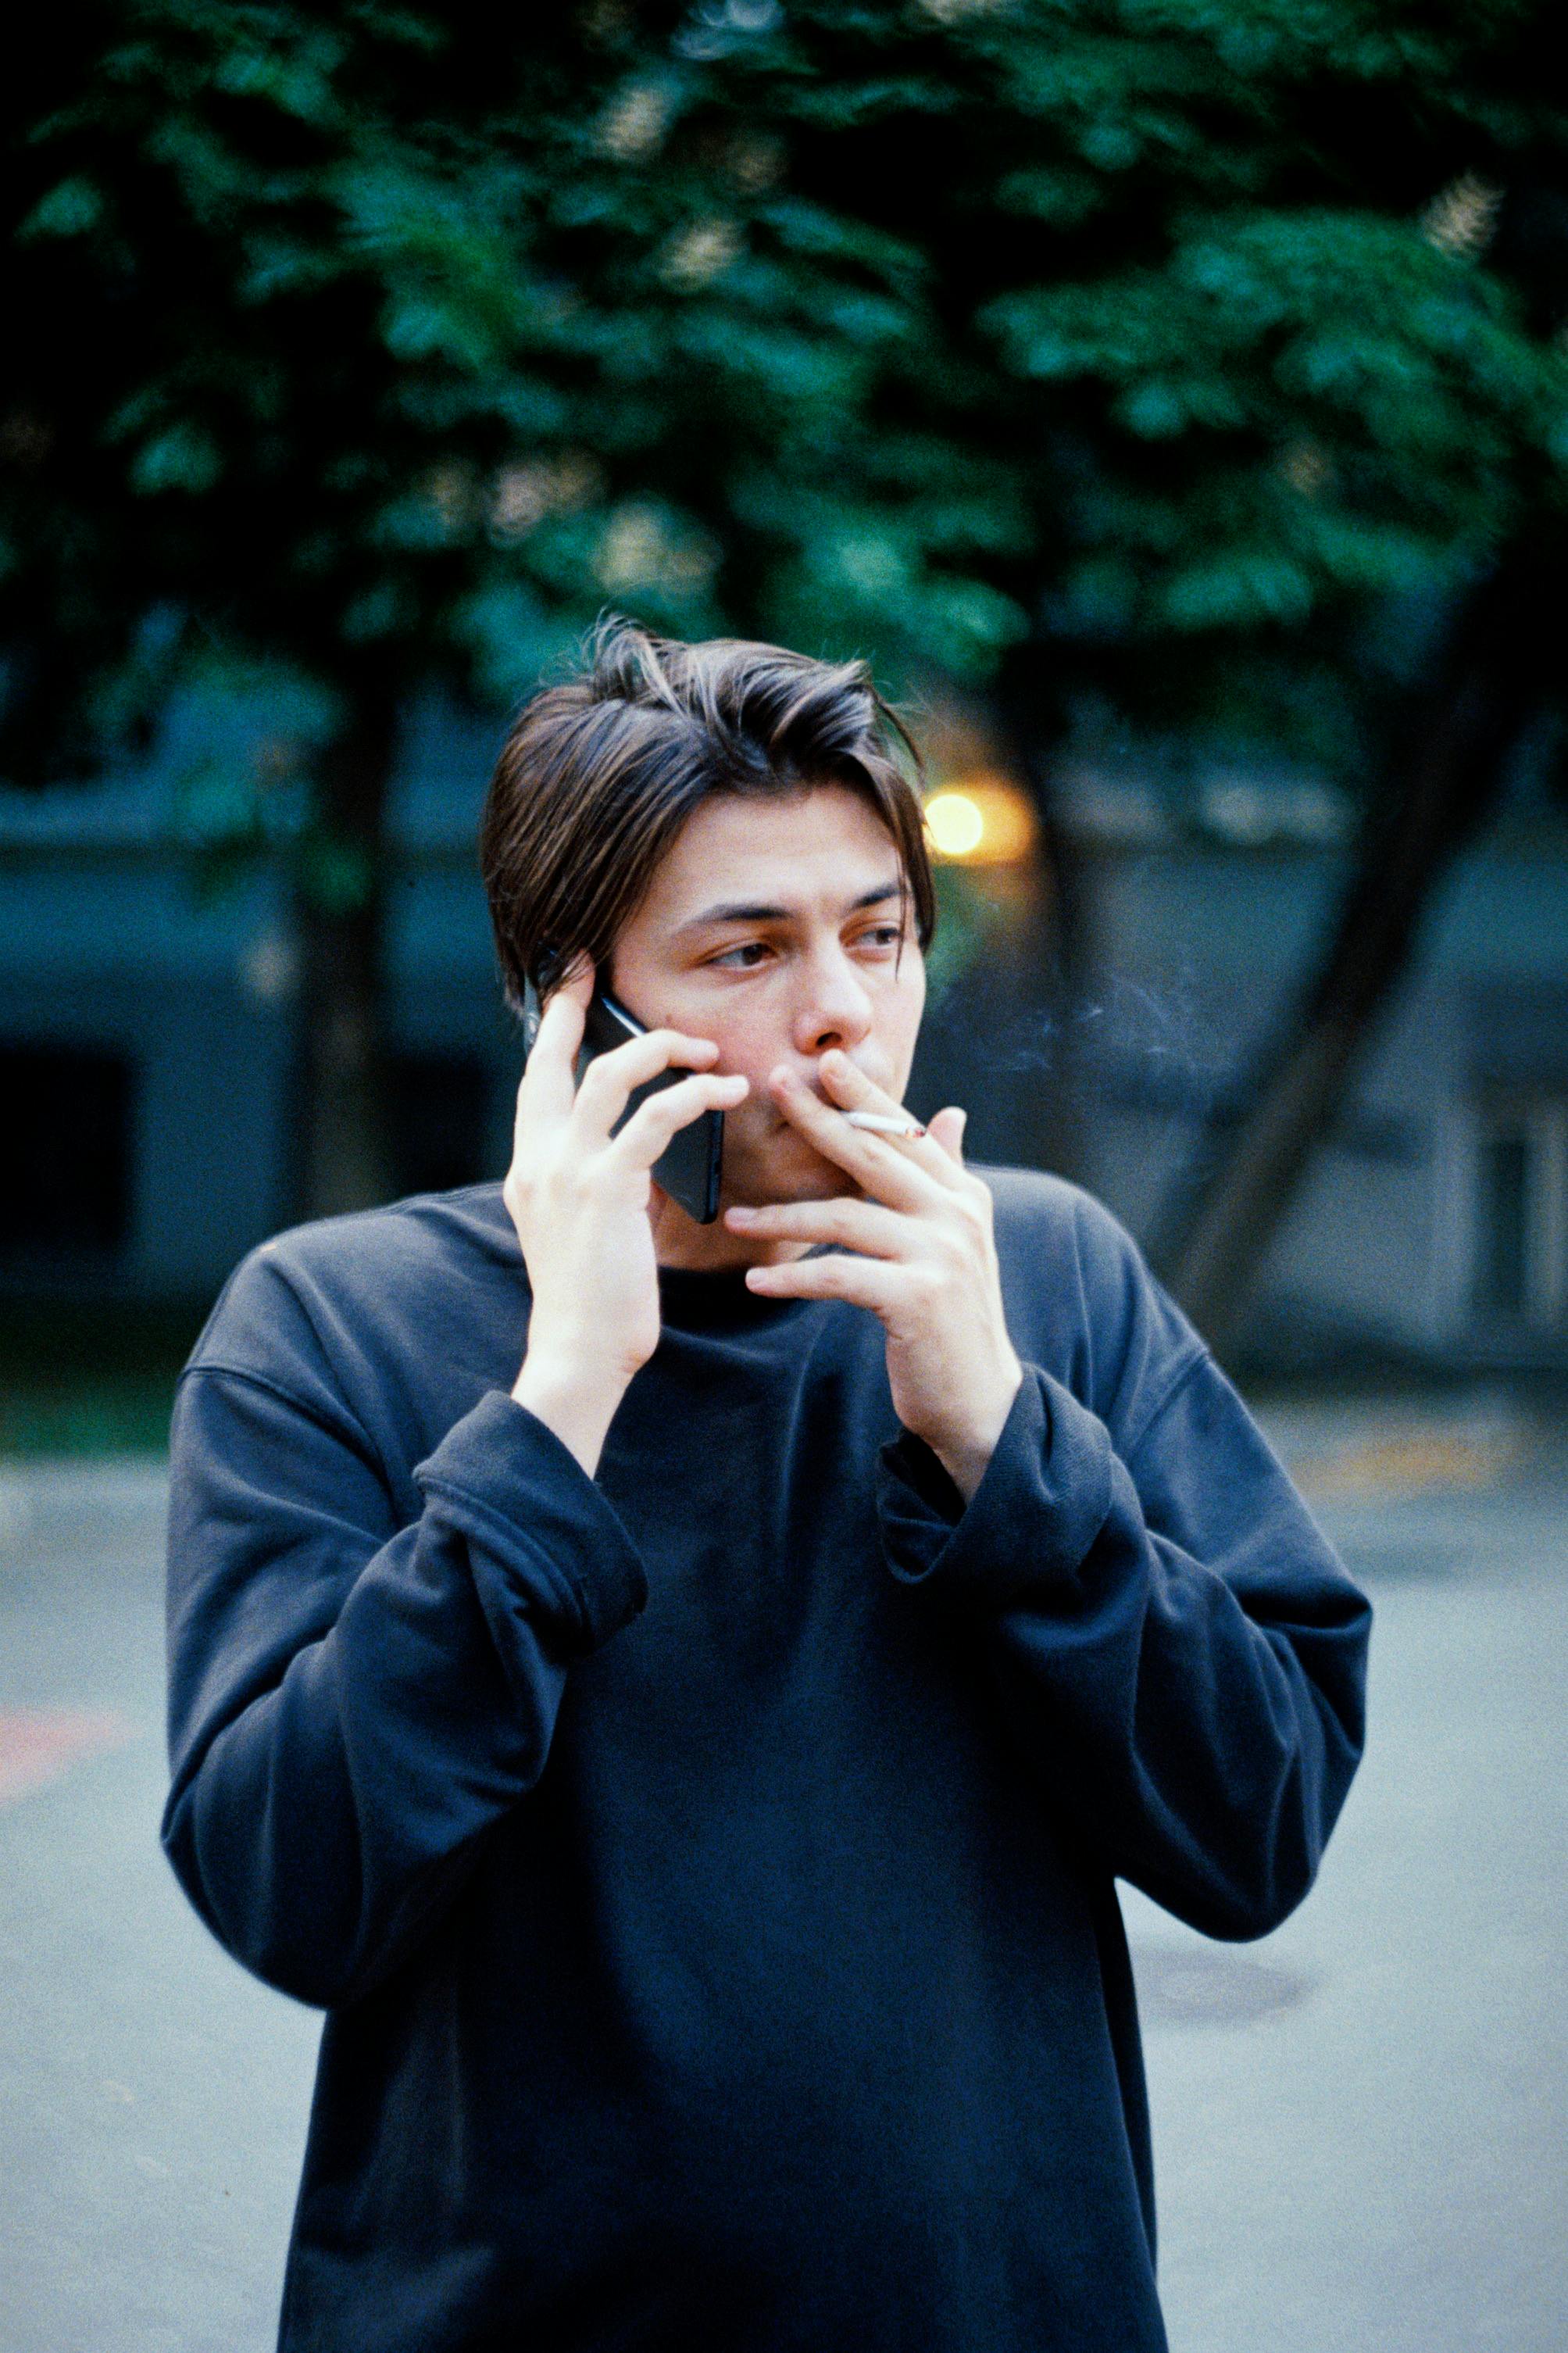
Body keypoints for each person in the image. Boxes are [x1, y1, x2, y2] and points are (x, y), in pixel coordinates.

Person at [163, 621, 1371, 2353]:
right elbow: (294, 1892)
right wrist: (559, 1397)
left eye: (879, 936)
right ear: (571, 1001)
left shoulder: (1047, 1278)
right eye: (746, 951)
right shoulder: (334, 1325)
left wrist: (998, 1441)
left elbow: (1255, 1828)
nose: (844, 1012)